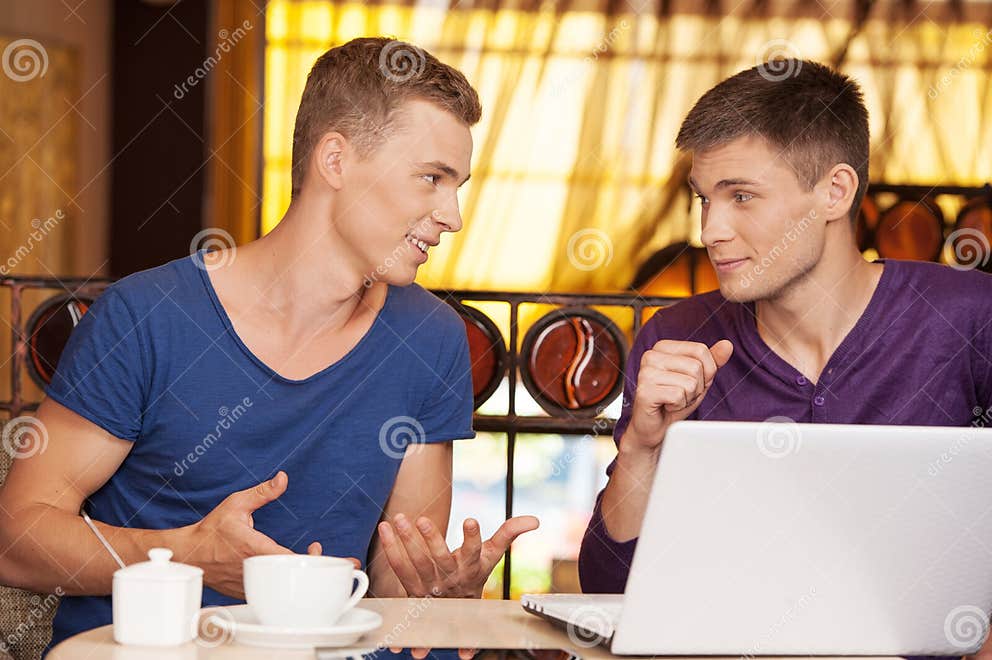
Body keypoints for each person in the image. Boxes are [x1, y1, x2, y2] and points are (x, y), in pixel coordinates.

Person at [0, 37, 537, 652]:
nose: (453, 216)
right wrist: (186, 555)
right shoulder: (145, 316)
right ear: (335, 160)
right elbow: (16, 540)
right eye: (431, 178)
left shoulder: (431, 338)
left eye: (456, 185)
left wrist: (436, 592)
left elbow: (397, 582)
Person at [578, 59, 992, 600]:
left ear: (835, 192)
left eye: (741, 196)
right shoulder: (677, 337)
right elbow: (609, 589)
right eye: (704, 199)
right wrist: (642, 447)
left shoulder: (969, 317)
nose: (710, 231)